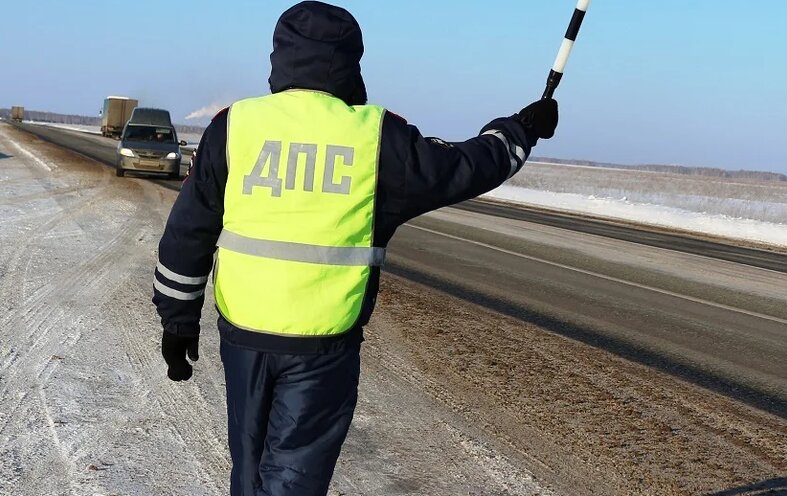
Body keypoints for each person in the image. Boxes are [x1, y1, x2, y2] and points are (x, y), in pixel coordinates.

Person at [151, 2, 558, 495]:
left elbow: (189, 230)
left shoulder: (234, 125)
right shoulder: (377, 137)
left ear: (279, 57)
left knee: (249, 468)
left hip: (244, 335)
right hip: (323, 344)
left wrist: (177, 320)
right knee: (292, 476)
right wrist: (520, 129)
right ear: (350, 62)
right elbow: (465, 167)